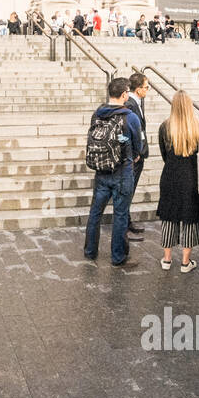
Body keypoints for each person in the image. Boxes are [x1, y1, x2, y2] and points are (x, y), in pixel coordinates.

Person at [83, 77, 143, 266]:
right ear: (125, 94)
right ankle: (118, 256)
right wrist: (132, 153)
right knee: (120, 214)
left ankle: (90, 251)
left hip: (101, 170)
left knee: (95, 213)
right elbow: (136, 144)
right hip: (122, 170)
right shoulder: (129, 116)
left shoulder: (98, 113)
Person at [156, 91, 199, 273]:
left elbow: (163, 152)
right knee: (190, 218)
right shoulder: (198, 127)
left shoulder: (165, 127)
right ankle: (186, 262)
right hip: (191, 178)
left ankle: (167, 259)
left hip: (170, 176)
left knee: (169, 217)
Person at [126, 72, 151, 238]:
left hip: (139, 154)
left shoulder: (136, 102)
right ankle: (124, 225)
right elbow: (132, 130)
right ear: (138, 88)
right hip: (135, 155)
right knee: (128, 190)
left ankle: (126, 222)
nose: (148, 90)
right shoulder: (130, 104)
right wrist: (136, 153)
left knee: (131, 190)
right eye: (146, 87)